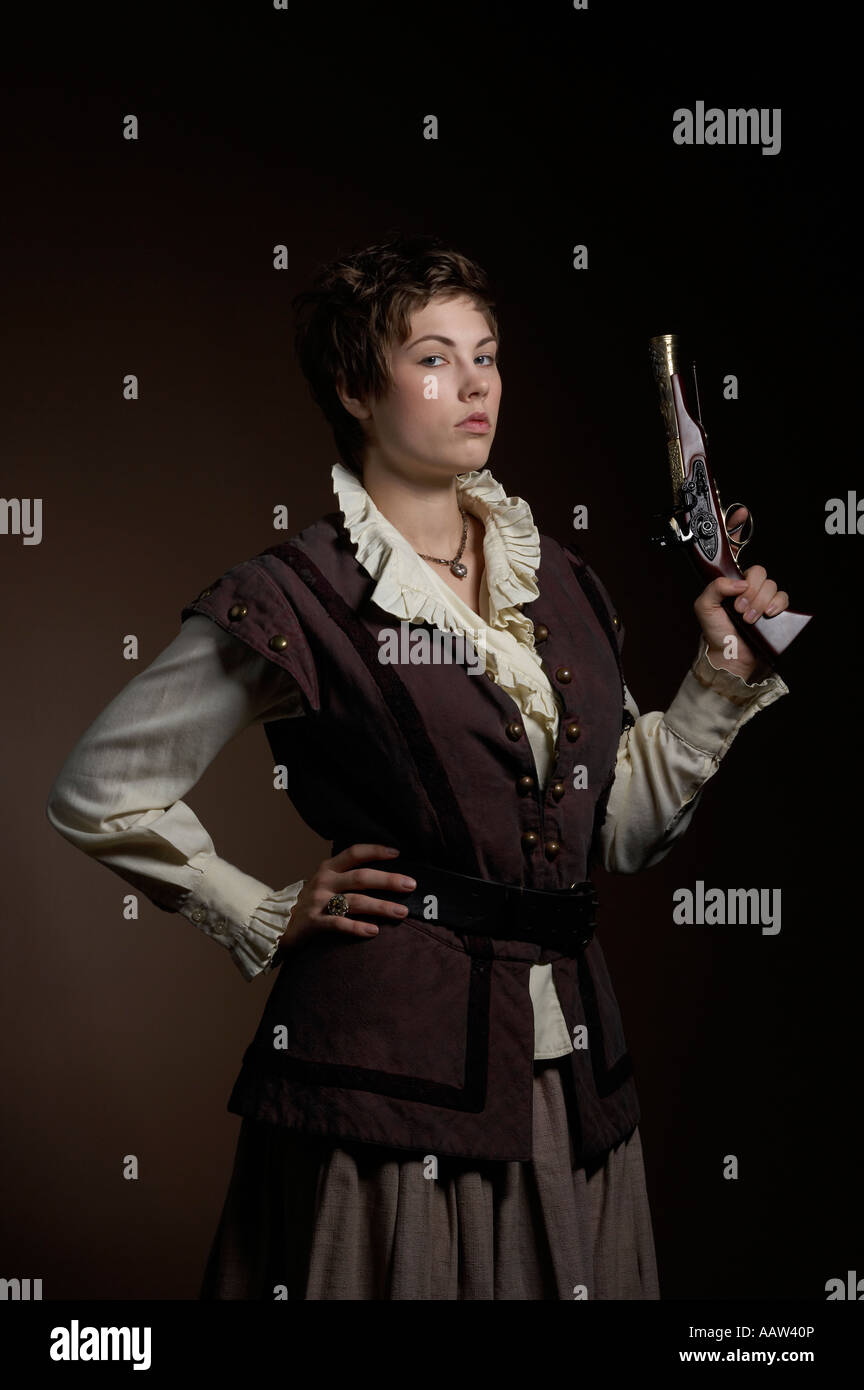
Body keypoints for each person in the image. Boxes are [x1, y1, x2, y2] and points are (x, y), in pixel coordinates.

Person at [45, 232, 790, 1300]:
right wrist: (253, 908)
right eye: (434, 357)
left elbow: (619, 830)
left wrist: (718, 678)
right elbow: (99, 787)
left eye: (486, 355)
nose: (474, 382)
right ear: (356, 385)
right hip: (386, 1088)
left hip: (573, 1081)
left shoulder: (562, 583)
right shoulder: (294, 595)